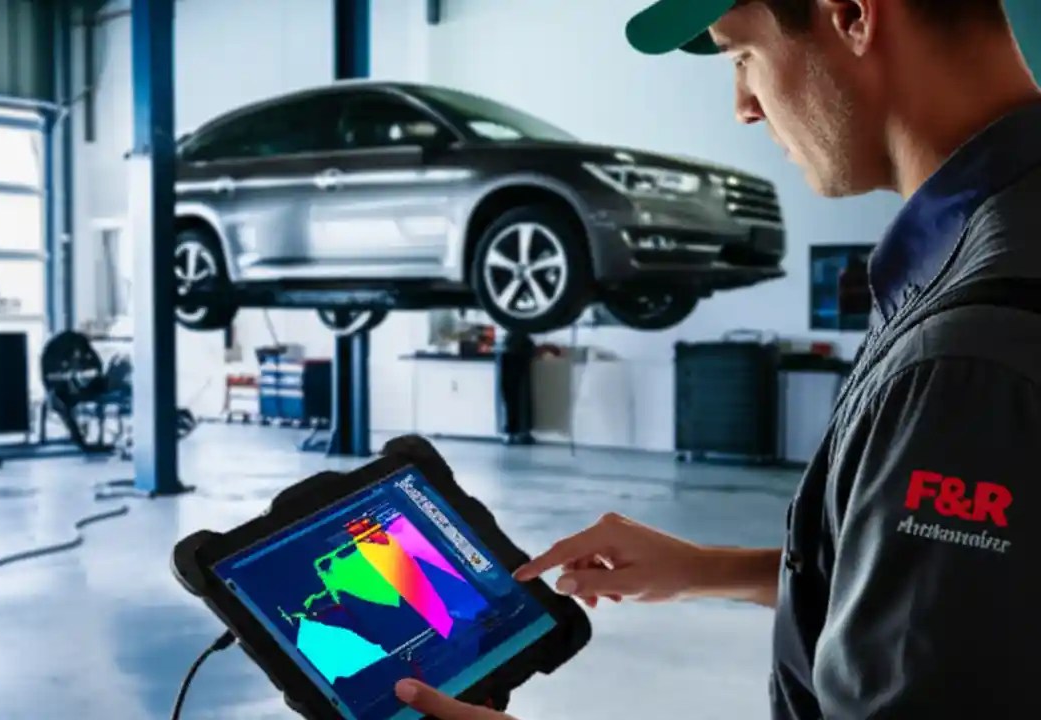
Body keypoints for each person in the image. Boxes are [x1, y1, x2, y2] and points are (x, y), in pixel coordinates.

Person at [394, 0, 1041, 717]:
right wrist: (705, 570)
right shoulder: (1004, 239)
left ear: (853, 14)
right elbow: (956, 598)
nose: (743, 106)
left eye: (742, 56)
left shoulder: (967, 361)